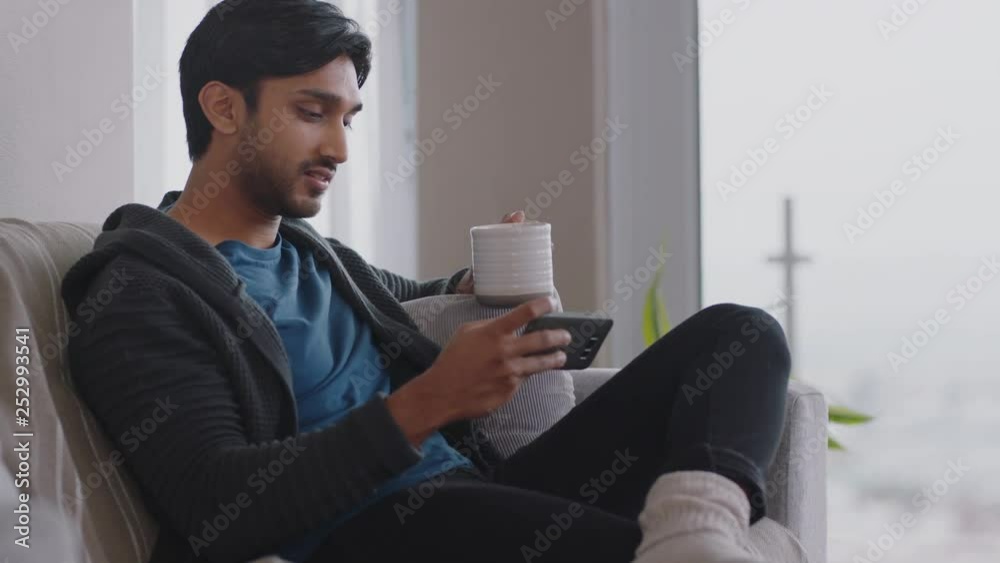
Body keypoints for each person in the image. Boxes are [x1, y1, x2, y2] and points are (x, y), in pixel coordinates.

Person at [61, 2, 791, 562]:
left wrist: (481, 284)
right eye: (311, 113)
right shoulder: (137, 292)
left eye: (348, 118)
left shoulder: (316, 255)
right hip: (368, 530)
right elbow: (214, 503)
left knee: (741, 332)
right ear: (222, 107)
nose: (340, 148)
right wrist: (431, 401)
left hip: (473, 488)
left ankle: (696, 533)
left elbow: (413, 298)